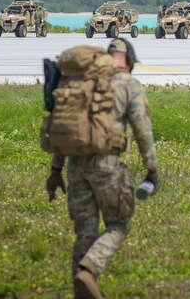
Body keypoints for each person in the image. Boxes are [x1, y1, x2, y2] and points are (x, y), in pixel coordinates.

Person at [46, 38, 161, 299]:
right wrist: (152, 170)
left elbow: (64, 124)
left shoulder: (81, 81)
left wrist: (55, 171)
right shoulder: (129, 83)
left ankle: (80, 288)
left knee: (85, 232)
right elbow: (142, 130)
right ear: (129, 60)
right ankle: (89, 271)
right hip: (107, 165)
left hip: (74, 166)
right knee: (119, 224)